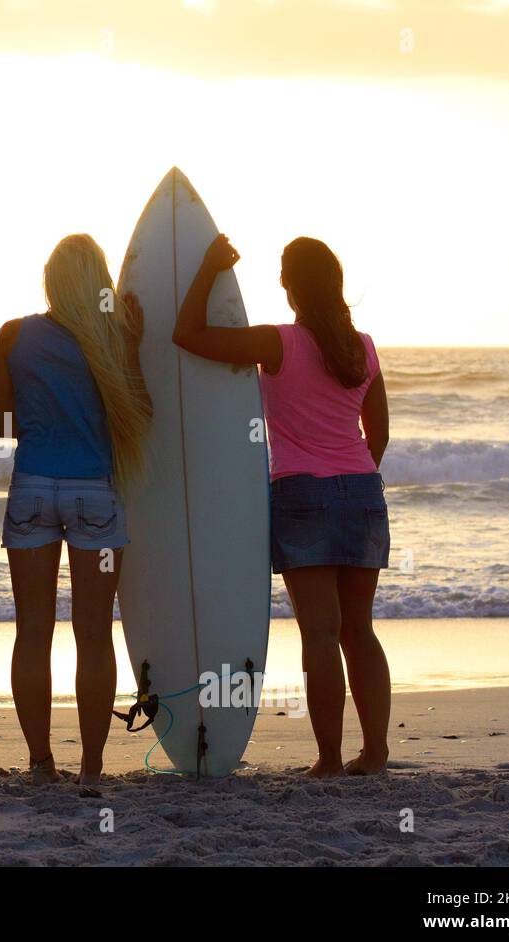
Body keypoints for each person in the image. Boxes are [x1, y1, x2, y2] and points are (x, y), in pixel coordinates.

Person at [166, 233, 390, 777]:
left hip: (302, 493)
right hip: (362, 491)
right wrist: (351, 476)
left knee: (320, 634)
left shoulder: (278, 342)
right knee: (358, 630)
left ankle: (331, 759)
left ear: (289, 285)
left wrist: (211, 266)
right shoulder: (361, 345)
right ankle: (375, 753)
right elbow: (377, 434)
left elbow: (187, 335)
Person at [0, 234, 150, 787]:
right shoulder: (115, 336)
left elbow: (2, 424)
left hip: (33, 489)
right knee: (94, 634)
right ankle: (91, 765)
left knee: (32, 632)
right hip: (95, 499)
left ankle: (40, 763)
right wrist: (133, 345)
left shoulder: (14, 335)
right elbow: (142, 414)